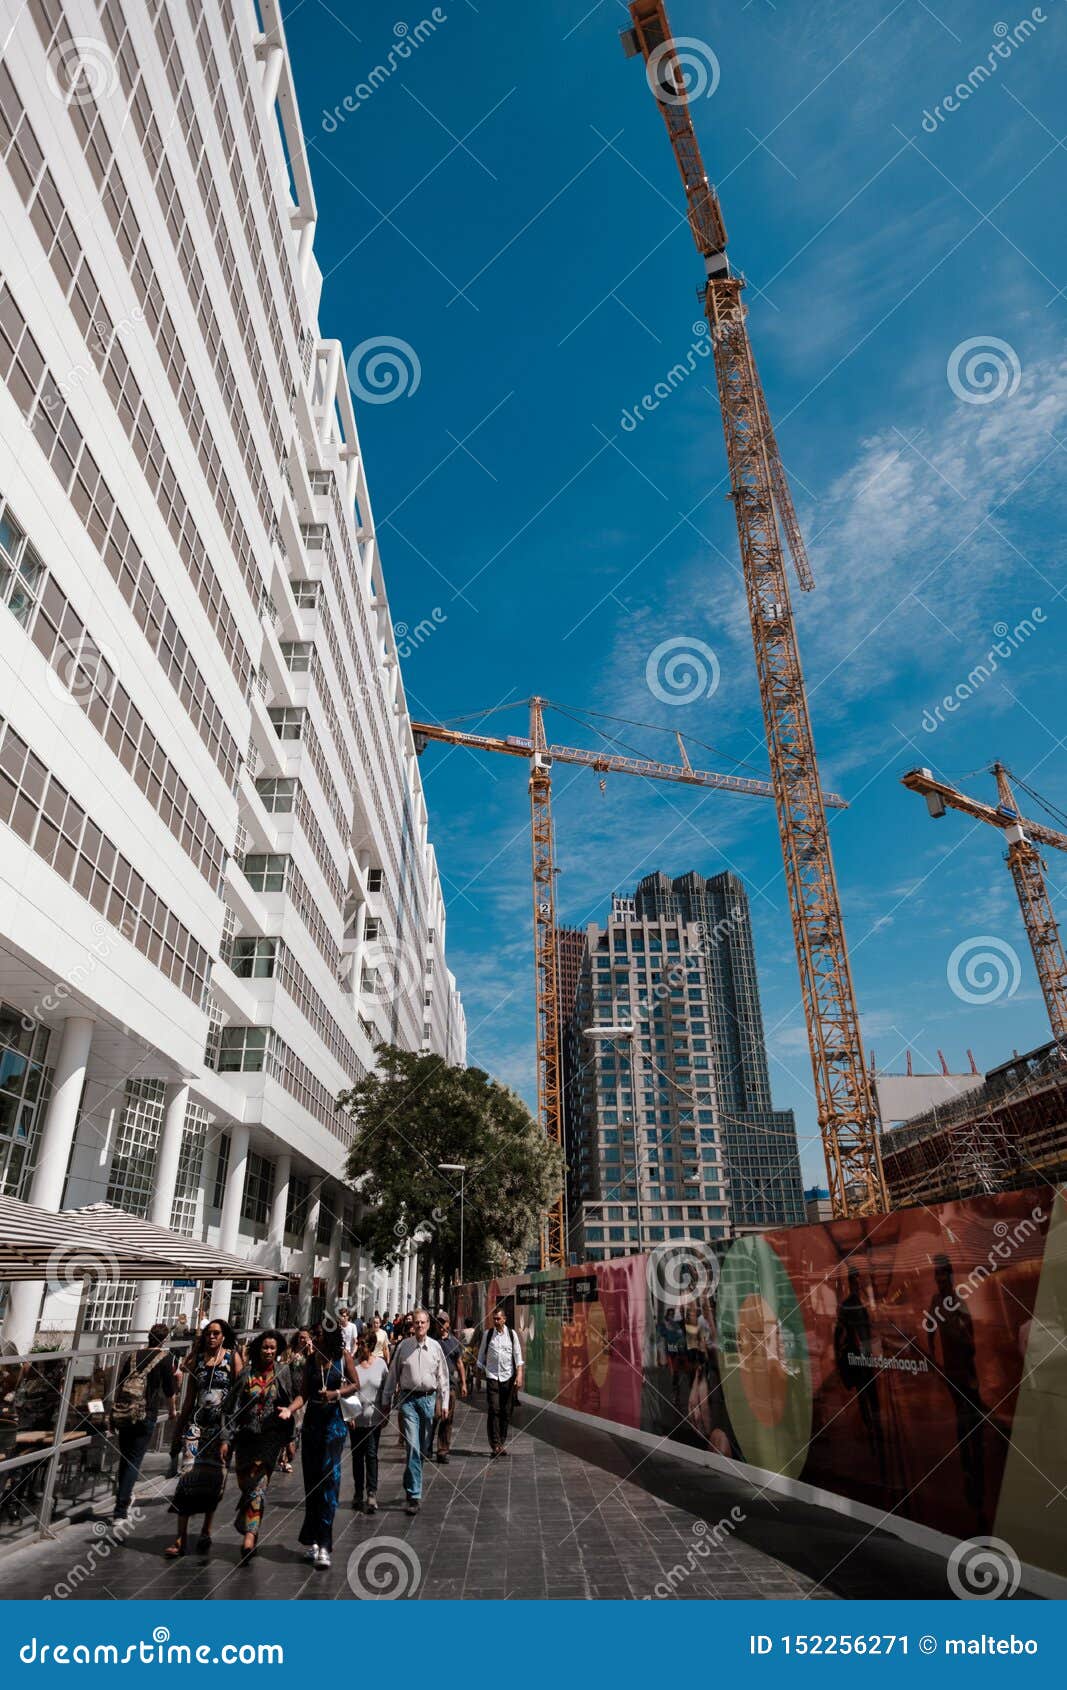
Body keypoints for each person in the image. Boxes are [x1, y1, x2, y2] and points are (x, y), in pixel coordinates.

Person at [222, 1330, 302, 1564]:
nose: (268, 1352)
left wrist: (290, 1439)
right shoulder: (246, 1374)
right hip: (246, 1438)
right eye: (265, 1347)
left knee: (258, 1487)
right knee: (246, 1484)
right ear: (259, 1348)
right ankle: (244, 1519)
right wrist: (226, 1439)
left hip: (270, 1438)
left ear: (277, 1351)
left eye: (272, 1348)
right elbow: (231, 1408)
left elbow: (295, 1399)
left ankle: (249, 1537)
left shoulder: (283, 1374)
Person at [166, 1318, 243, 1558]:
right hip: (196, 1427)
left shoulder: (232, 1358)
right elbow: (189, 1398)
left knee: (214, 1480)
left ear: (223, 1336)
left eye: (216, 1333)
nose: (211, 1337)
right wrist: (178, 1428)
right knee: (186, 1477)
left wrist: (232, 1432)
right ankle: (180, 1538)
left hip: (220, 1429)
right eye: (209, 1333)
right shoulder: (197, 1361)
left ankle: (206, 1530)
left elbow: (239, 1395)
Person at [297, 1324, 358, 1569]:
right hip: (312, 1424)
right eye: (315, 1335)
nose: (315, 1338)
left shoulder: (342, 1358)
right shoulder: (311, 1361)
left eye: (319, 1335)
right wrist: (291, 1411)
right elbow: (302, 1394)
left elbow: (355, 1384)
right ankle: (311, 1539)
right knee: (311, 1482)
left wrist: (335, 1393)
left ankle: (324, 1542)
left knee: (329, 1481)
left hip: (333, 1426)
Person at [381, 1307, 450, 1514]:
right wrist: (386, 1399)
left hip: (428, 1400)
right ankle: (414, 1494)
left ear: (428, 1325)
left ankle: (409, 1478)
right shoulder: (404, 1346)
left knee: (422, 1449)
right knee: (412, 1445)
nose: (419, 1325)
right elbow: (393, 1374)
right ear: (413, 1325)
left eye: (423, 1322)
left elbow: (443, 1378)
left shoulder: (436, 1348)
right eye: (416, 1322)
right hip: (408, 1400)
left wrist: (444, 1403)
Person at [110, 1322, 176, 1522]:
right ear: (164, 1340)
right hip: (145, 1414)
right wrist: (173, 1411)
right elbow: (169, 1390)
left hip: (124, 1413)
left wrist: (112, 1414)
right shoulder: (166, 1359)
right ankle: (120, 1509)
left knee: (125, 1458)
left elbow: (120, 1386)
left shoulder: (131, 1356)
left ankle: (123, 1496)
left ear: (148, 1337)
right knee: (133, 1460)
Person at [348, 1330, 388, 1512]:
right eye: (358, 1343)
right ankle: (358, 1493)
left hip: (374, 1419)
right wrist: (349, 1415)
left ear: (371, 1346)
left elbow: (386, 1390)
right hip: (357, 1419)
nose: (360, 1347)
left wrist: (386, 1411)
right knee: (357, 1456)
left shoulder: (381, 1365)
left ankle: (371, 1493)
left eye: (363, 1344)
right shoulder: (353, 1366)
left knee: (371, 1455)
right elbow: (347, 1392)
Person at [477, 1305, 524, 1457]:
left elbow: (518, 1356)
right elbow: (481, 1354)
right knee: (494, 1409)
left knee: (506, 1411)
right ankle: (495, 1443)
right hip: (492, 1376)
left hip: (508, 1377)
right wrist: (478, 1372)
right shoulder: (488, 1334)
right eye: (494, 1318)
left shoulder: (512, 1334)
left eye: (498, 1318)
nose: (496, 1321)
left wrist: (519, 1375)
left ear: (504, 1319)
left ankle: (501, 1442)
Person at [428, 1313, 466, 1465]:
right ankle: (427, 1446)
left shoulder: (454, 1342)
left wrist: (463, 1383)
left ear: (448, 1324)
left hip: (449, 1385)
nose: (441, 1324)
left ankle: (443, 1451)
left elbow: (459, 1363)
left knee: (447, 1419)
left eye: (443, 1322)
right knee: (434, 1417)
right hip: (433, 1385)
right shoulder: (431, 1341)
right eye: (438, 1322)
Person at [278, 1328, 312, 1474]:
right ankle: (283, 1459)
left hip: (303, 1396)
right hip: (289, 1393)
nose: (303, 1340)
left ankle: (289, 1456)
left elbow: (314, 1369)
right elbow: (281, 1367)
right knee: (287, 1426)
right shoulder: (289, 1351)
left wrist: (310, 1351)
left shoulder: (310, 1354)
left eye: (306, 1338)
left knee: (298, 1427)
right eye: (301, 1338)